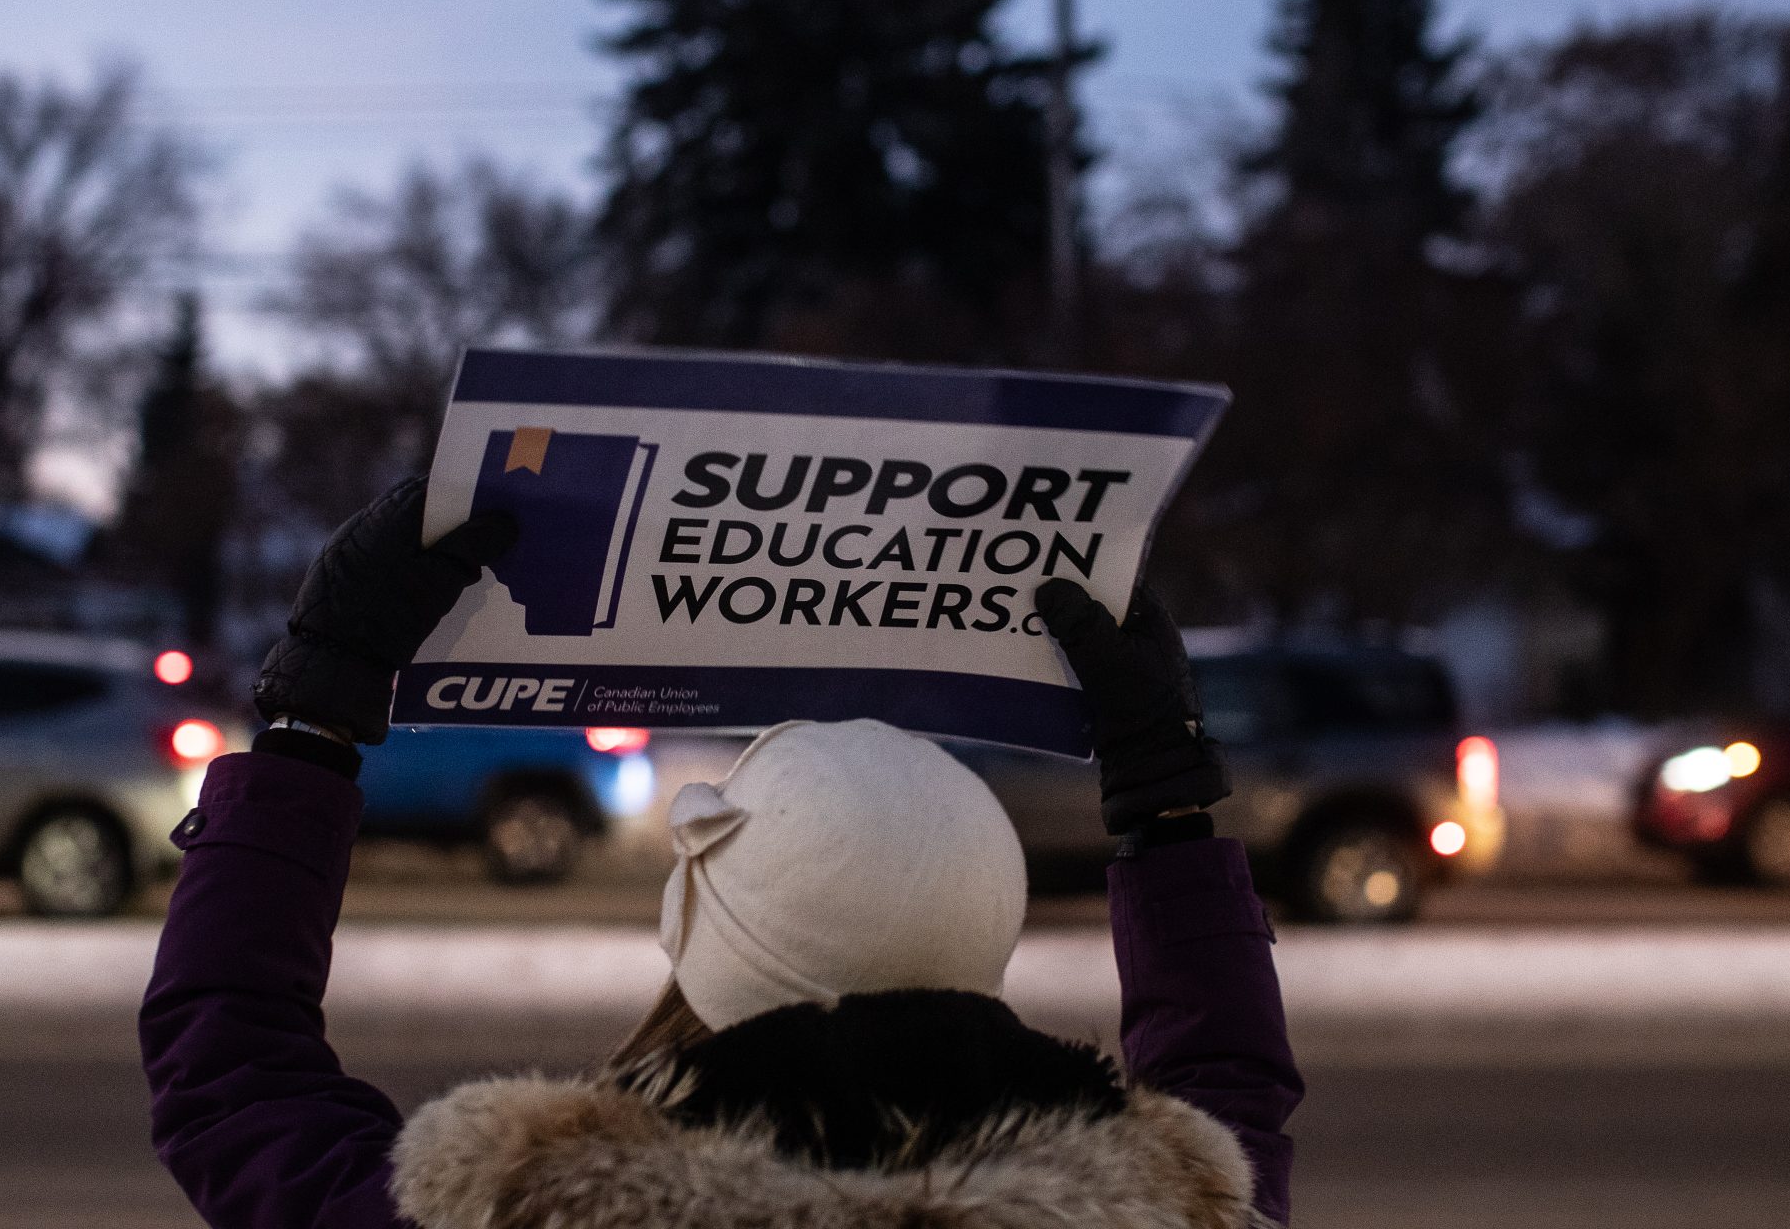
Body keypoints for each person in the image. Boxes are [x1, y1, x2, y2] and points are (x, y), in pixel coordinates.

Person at [140, 478, 1303, 1229]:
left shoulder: (520, 1208)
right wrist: (1168, 806)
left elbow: (228, 1067)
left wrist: (313, 713)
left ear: (699, 936)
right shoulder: (1172, 1205)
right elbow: (1229, 1097)